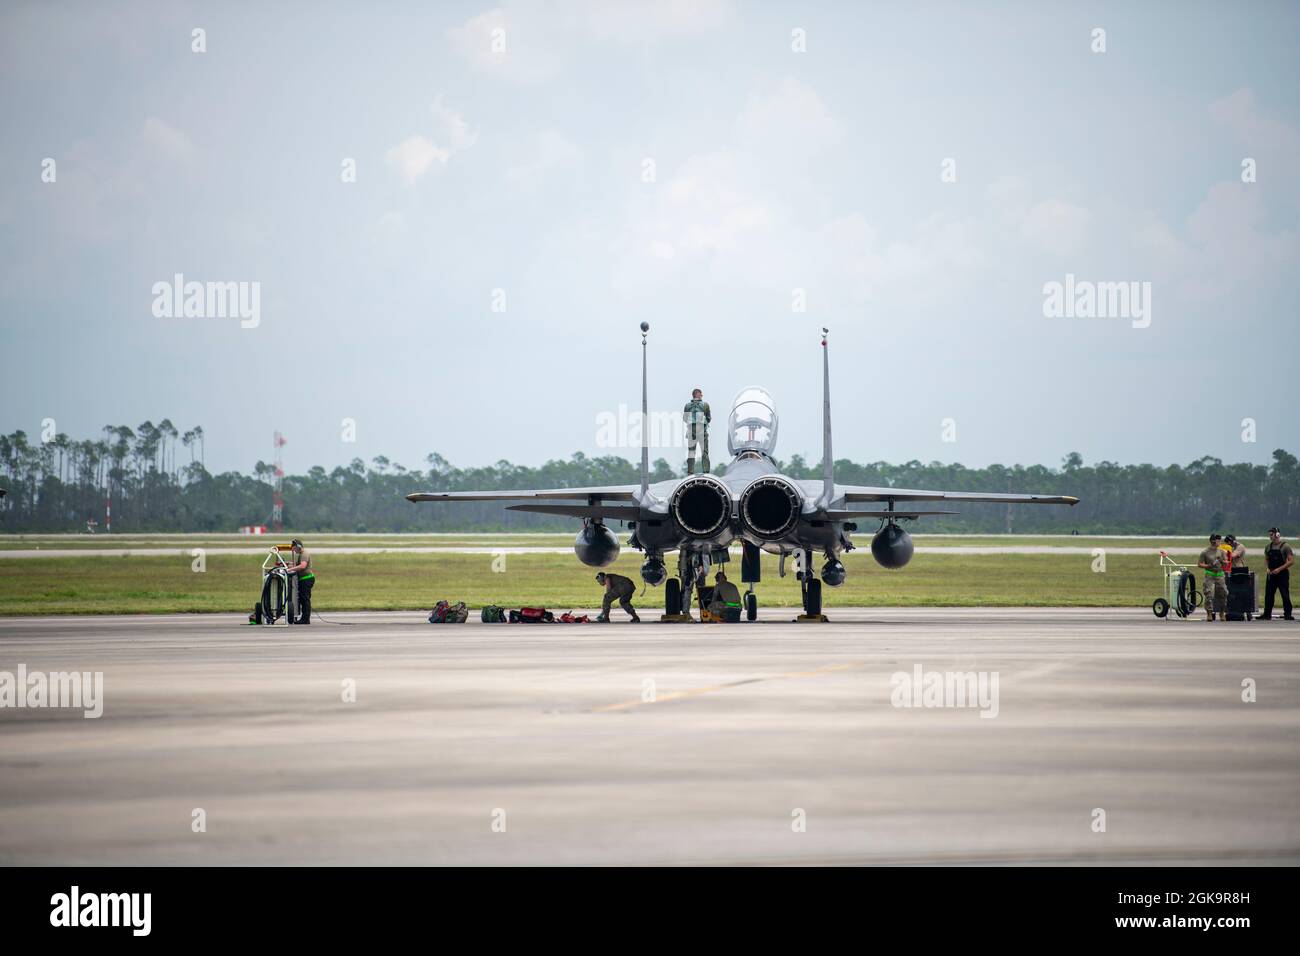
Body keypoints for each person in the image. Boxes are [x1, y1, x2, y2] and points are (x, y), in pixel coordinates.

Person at [1260, 527, 1294, 621]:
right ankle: (1267, 614)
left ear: (1277, 534)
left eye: (1271, 534)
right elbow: (1266, 559)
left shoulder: (1285, 546)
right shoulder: (1268, 547)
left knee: (1284, 594)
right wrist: (1267, 568)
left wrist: (1279, 569)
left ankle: (1288, 614)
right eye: (1269, 535)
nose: (1270, 537)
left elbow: (1291, 561)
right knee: (1269, 595)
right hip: (1271, 574)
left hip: (1282, 574)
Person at [1197, 533, 1228, 622]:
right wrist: (1207, 566)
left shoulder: (1221, 551)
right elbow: (1199, 564)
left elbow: (1226, 562)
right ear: (1213, 541)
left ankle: (1222, 612)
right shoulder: (1205, 552)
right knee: (1209, 593)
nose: (1219, 542)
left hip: (1220, 575)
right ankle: (1209, 613)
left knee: (1223, 593)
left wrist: (1222, 561)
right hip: (1210, 575)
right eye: (1218, 540)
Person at [283, 538, 315, 624]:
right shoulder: (301, 554)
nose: (294, 551)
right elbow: (298, 565)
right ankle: (304, 618)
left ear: (298, 547)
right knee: (302, 599)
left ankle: (305, 619)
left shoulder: (304, 554)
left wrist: (289, 570)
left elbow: (302, 566)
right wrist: (288, 565)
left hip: (306, 579)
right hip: (304, 579)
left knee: (305, 599)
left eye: (294, 549)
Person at [682, 388, 711, 475]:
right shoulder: (705, 405)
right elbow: (709, 418)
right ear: (698, 395)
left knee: (691, 452)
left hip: (691, 431)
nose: (702, 396)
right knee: (704, 452)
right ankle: (706, 471)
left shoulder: (687, 406)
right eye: (701, 394)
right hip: (702, 430)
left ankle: (690, 472)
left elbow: (685, 418)